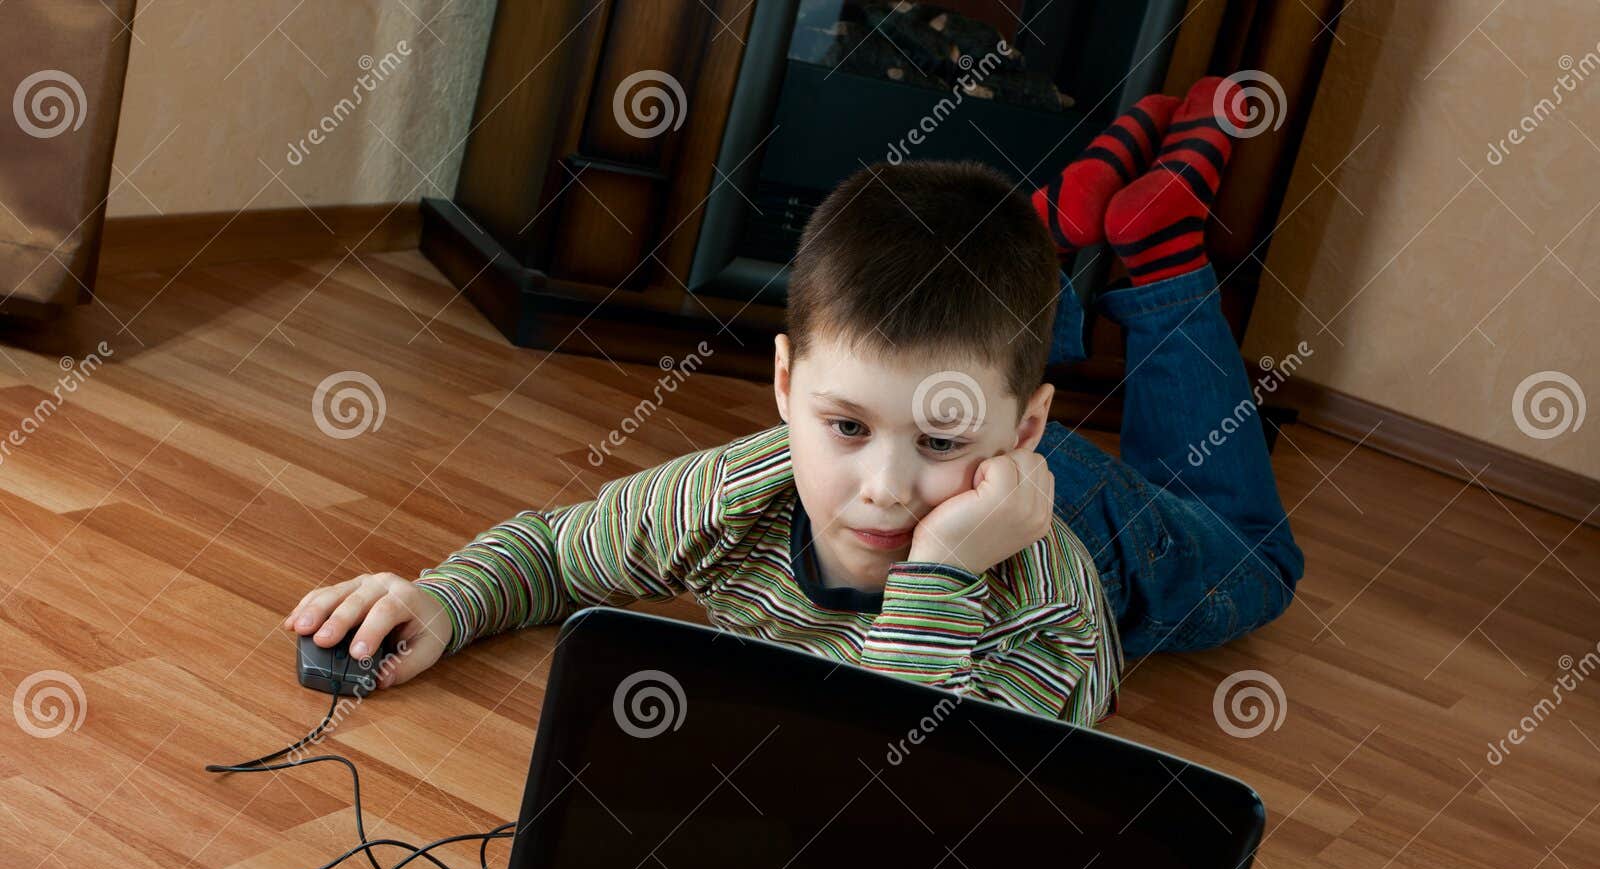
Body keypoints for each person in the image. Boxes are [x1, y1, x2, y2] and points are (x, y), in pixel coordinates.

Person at [281, 75, 1302, 728]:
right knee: (955, 365)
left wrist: (943, 571)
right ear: (782, 386)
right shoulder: (739, 489)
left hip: (1059, 521)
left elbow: (915, 776)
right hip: (981, 423)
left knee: (1248, 561)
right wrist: (446, 599)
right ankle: (1028, 262)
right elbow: (560, 549)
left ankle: (1161, 256)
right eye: (845, 426)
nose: (885, 489)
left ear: (1028, 428)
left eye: (927, 442)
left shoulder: (1056, 609)